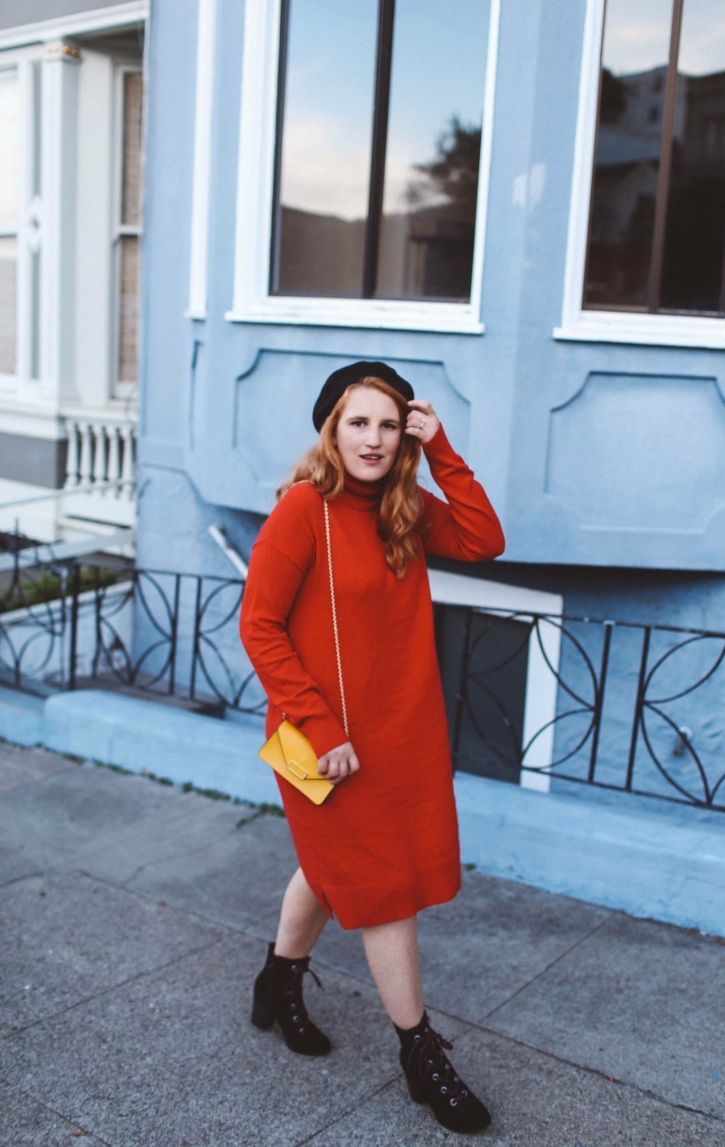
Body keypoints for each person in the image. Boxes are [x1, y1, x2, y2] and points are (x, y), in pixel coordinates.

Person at [240, 360, 505, 1134]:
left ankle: (277, 982)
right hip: (309, 739)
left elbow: (487, 538)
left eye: (390, 424)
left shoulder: (406, 508)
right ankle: (420, 1054)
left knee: (330, 871)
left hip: (392, 738)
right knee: (382, 886)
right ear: (332, 428)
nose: (375, 438)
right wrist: (321, 731)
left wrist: (444, 448)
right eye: (359, 422)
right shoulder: (302, 509)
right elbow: (258, 626)